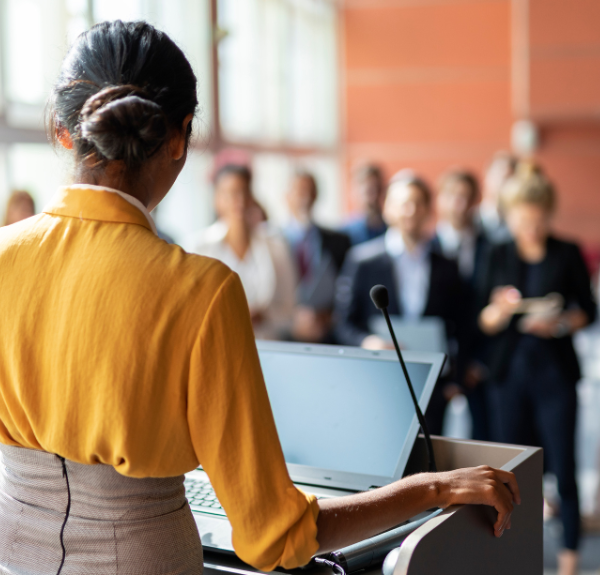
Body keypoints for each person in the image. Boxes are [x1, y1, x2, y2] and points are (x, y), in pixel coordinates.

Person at [0, 20, 520, 574]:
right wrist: (430, 488)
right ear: (178, 138)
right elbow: (276, 536)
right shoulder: (200, 290)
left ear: (61, 129)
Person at [478, 165, 596, 575]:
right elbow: (484, 321)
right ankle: (513, 556)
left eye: (538, 218)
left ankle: (569, 561)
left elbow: (588, 311)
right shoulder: (496, 251)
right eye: (522, 219)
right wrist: (501, 309)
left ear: (550, 213)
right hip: (509, 373)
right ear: (509, 216)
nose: (530, 226)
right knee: (511, 472)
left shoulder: (567, 251)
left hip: (555, 373)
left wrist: (560, 322)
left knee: (564, 465)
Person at [335, 171, 463, 435]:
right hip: (381, 380)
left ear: (429, 209)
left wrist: (454, 379)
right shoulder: (362, 261)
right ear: (387, 208)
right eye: (403, 203)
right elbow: (344, 321)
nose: (411, 210)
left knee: (433, 462)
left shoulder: (447, 265)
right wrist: (367, 341)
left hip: (433, 383)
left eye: (418, 203)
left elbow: (460, 323)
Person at [187, 164, 296, 340]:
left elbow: (289, 309)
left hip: (267, 346)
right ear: (217, 199)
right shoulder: (199, 247)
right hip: (218, 344)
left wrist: (265, 317)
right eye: (230, 193)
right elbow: (192, 309)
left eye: (244, 192)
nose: (239, 201)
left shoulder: (276, 246)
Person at [431, 169, 491, 440]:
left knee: (486, 440)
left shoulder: (493, 248)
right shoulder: (425, 248)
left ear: (477, 200)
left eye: (467, 197)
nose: (461, 204)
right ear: (440, 200)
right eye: (453, 196)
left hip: (481, 362)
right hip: (439, 363)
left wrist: (477, 361)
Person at [283, 171, 351, 343]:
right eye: (299, 191)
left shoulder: (339, 241)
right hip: (285, 336)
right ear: (286, 196)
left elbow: (347, 288)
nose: (305, 198)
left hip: (326, 333)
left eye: (310, 191)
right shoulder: (272, 241)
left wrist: (328, 316)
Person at [341, 163, 387, 246]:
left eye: (378, 189)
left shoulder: (391, 228)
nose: (374, 197)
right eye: (369, 191)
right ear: (355, 191)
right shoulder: (344, 232)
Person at [477, 152, 517, 244]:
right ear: (486, 177)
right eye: (498, 174)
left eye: (509, 178)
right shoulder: (469, 220)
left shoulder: (519, 226)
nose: (502, 182)